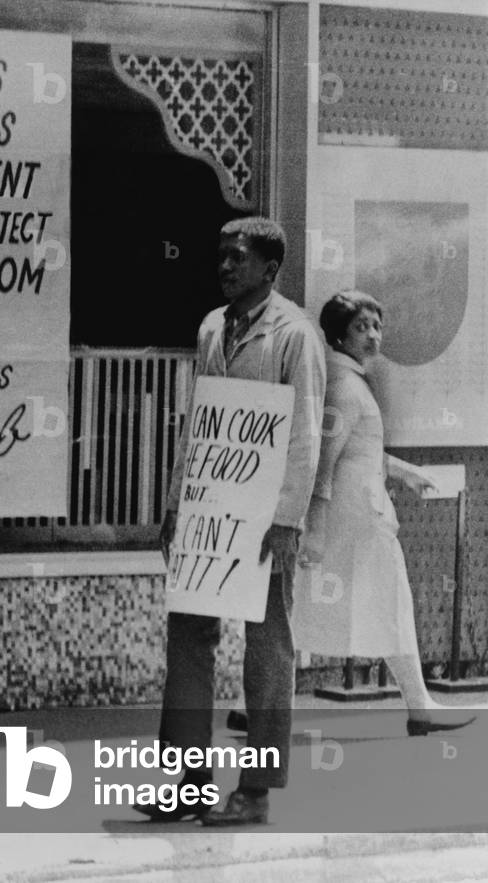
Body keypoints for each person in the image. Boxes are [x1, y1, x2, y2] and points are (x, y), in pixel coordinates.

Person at [136, 217, 326, 826]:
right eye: (220, 255)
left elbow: (304, 436)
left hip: (266, 518)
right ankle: (186, 783)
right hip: (208, 513)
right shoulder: (212, 327)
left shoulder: (295, 335)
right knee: (188, 642)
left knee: (266, 651)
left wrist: (287, 519)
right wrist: (176, 504)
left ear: (269, 270)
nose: (223, 266)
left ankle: (255, 792)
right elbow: (200, 423)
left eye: (237, 257)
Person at [293, 291, 475, 736]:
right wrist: (314, 528)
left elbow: (358, 449)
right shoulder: (343, 384)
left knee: (303, 608)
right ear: (339, 333)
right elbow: (324, 460)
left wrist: (404, 469)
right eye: (361, 327)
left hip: (356, 517)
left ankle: (254, 705)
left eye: (377, 326)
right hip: (354, 521)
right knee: (387, 606)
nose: (373, 335)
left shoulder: (348, 381)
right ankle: (420, 708)